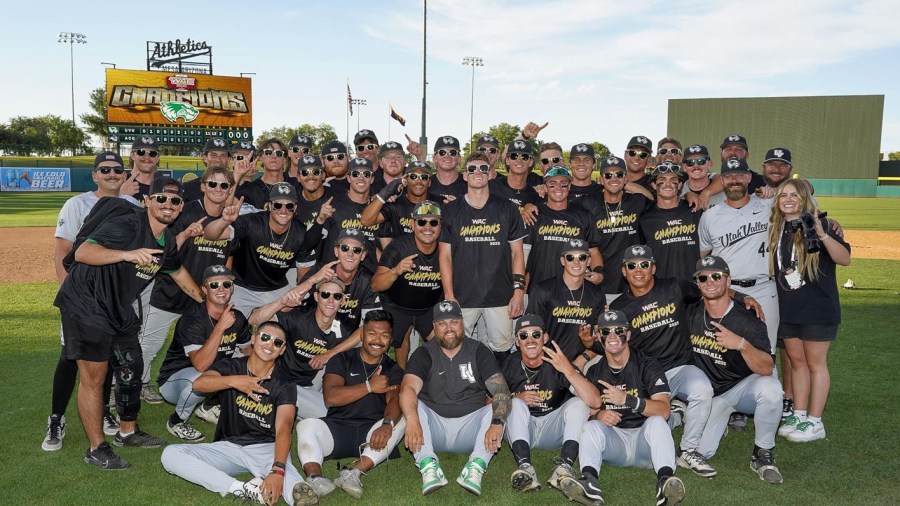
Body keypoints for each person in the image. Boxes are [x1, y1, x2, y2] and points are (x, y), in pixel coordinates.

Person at [54, 177, 204, 469]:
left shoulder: (168, 240)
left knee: (131, 365)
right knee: (94, 378)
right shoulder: (128, 223)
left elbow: (178, 272)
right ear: (148, 201)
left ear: (181, 206)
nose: (168, 205)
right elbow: (83, 252)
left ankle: (128, 431)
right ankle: (96, 449)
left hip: (119, 307)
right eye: (161, 198)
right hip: (86, 304)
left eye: (175, 201)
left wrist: (207, 302)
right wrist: (127, 254)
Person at [42, 151, 140, 451]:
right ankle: (56, 418)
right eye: (105, 169)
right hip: (82, 300)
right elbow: (64, 250)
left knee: (108, 356)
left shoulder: (134, 205)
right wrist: (70, 296)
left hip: (115, 298)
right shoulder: (77, 204)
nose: (112, 174)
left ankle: (103, 412)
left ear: (124, 175)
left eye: (117, 169)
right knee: (70, 357)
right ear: (95, 175)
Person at [160, 322, 318, 506]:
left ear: (282, 350)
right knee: (170, 454)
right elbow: (198, 385)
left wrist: (278, 470)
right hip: (228, 447)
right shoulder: (231, 366)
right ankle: (242, 489)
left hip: (265, 448)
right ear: (253, 338)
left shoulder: (284, 383)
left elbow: (284, 428)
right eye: (265, 337)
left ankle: (298, 494)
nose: (269, 345)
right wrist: (235, 381)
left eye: (277, 342)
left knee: (284, 474)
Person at [559, 310, 685, 506]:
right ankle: (590, 483)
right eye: (605, 332)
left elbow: (663, 409)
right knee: (590, 427)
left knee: (658, 422)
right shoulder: (595, 370)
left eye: (619, 330)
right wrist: (599, 414)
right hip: (615, 441)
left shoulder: (647, 364)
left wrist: (628, 399)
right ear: (599, 337)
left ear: (628, 334)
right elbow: (588, 411)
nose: (612, 336)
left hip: (646, 444)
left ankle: (665, 482)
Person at [138, 165, 238, 404]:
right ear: (203, 186)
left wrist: (223, 294)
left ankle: (198, 387)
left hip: (205, 298)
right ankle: (135, 384)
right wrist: (184, 235)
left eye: (224, 185)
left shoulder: (232, 219)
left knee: (203, 347)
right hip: (170, 292)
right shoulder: (184, 211)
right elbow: (164, 253)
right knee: (147, 345)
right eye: (212, 184)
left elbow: (229, 258)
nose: (217, 189)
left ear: (229, 190)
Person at [687, 256, 785, 484]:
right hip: (711, 396)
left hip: (742, 390)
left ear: (728, 280)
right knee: (700, 453)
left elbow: (766, 367)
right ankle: (713, 422)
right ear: (697, 283)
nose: (709, 282)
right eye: (703, 278)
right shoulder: (691, 312)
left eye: (716, 276)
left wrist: (741, 344)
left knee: (771, 389)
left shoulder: (748, 319)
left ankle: (762, 454)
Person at [400, 300, 512, 496]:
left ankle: (476, 466)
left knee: (498, 407)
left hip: (472, 428)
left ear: (463, 322)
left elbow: (501, 390)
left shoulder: (478, 351)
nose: (448, 329)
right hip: (433, 431)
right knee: (412, 404)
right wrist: (412, 420)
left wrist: (496, 423)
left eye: (453, 322)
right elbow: (408, 387)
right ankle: (428, 465)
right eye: (442, 324)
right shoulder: (424, 353)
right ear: (434, 327)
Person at [768, 179, 850, 442]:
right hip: (789, 307)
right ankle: (800, 415)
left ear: (804, 199)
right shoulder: (777, 228)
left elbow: (844, 259)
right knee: (797, 362)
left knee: (816, 364)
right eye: (783, 195)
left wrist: (822, 233)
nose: (788, 199)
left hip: (818, 307)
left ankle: (816, 422)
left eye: (794, 195)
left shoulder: (821, 225)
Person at [296, 311, 405, 500]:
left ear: (390, 339)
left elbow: (394, 400)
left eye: (384, 335)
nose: (377, 340)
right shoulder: (342, 359)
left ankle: (352, 473)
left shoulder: (393, 368)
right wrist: (369, 386)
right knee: (305, 425)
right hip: (337, 427)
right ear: (361, 334)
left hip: (371, 434)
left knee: (400, 420)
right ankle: (315, 479)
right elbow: (331, 397)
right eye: (372, 333)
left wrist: (387, 424)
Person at [439, 152, 527, 359]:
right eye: (472, 169)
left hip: (500, 294)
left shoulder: (507, 208)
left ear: (490, 174)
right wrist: (449, 295)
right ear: (465, 176)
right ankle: (464, 391)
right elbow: (444, 256)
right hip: (463, 296)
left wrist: (518, 292)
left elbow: (517, 253)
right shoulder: (451, 210)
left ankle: (499, 391)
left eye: (482, 169)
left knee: (502, 348)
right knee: (457, 348)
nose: (477, 172)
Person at [502, 315, 600, 492]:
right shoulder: (509, 364)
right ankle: (525, 468)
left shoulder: (557, 362)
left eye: (536, 334)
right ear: (517, 341)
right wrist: (515, 397)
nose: (530, 340)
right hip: (524, 429)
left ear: (545, 338)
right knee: (514, 404)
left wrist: (569, 370)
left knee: (579, 403)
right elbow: (487, 401)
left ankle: (564, 467)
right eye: (523, 336)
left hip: (553, 428)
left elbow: (595, 402)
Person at [203, 182, 331, 316]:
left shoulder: (300, 233)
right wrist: (224, 221)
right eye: (277, 205)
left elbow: (303, 276)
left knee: (287, 324)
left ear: (295, 208)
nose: (283, 210)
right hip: (242, 288)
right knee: (232, 326)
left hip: (276, 288)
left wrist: (297, 297)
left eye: (289, 206)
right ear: (270, 206)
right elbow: (209, 235)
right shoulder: (252, 222)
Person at [157, 265, 251, 442]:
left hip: (212, 374)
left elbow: (249, 351)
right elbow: (200, 364)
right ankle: (176, 422)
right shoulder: (192, 319)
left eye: (226, 284)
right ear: (204, 289)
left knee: (244, 363)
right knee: (201, 377)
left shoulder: (237, 317)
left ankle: (209, 406)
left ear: (232, 288)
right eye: (214, 285)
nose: (221, 289)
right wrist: (220, 327)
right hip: (175, 381)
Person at [249, 276, 360, 419]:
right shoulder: (298, 317)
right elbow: (254, 321)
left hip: (306, 387)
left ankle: (283, 406)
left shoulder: (342, 331)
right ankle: (282, 404)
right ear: (316, 297)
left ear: (343, 300)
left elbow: (364, 332)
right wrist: (281, 302)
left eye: (337, 296)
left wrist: (329, 354)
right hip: (277, 379)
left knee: (331, 412)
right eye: (325, 295)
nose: (331, 301)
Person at [371, 201, 444, 369]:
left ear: (440, 226)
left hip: (428, 308)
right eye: (421, 222)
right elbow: (375, 284)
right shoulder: (399, 246)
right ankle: (400, 376)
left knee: (446, 341)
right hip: (396, 306)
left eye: (433, 222)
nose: (428, 227)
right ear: (412, 224)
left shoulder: (445, 247)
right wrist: (395, 271)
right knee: (396, 340)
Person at [579, 155, 652, 303]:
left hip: (631, 284)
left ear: (626, 179)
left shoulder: (637, 202)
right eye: (608, 175)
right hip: (598, 282)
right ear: (601, 179)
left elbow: (653, 198)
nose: (614, 178)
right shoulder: (587, 204)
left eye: (619, 175)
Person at [524, 167, 603, 290]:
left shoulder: (583, 216)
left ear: (569, 187)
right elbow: (525, 255)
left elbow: (593, 250)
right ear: (545, 188)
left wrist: (599, 273)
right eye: (552, 184)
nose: (558, 188)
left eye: (563, 184)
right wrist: (521, 291)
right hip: (538, 288)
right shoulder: (534, 215)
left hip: (572, 290)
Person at [526, 239, 606, 361]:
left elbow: (604, 340)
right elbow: (530, 333)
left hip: (582, 359)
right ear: (563, 260)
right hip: (548, 359)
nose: (576, 262)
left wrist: (582, 359)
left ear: (589, 261)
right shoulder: (543, 290)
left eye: (582, 257)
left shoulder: (596, 293)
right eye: (570, 257)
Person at [639, 162, 702, 281]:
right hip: (661, 288)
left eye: (673, 180)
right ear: (653, 184)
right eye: (662, 180)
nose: (668, 184)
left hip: (693, 288)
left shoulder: (694, 210)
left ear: (680, 185)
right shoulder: (645, 217)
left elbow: (707, 245)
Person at [235, 138, 294, 211]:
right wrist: (237, 174)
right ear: (261, 158)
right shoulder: (250, 189)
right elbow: (227, 204)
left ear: (284, 159)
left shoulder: (296, 185)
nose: (273, 156)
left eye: (278, 153)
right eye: (268, 152)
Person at [122, 135, 161, 200]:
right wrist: (121, 195)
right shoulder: (120, 182)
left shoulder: (163, 187)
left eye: (152, 153)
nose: (147, 157)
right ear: (132, 155)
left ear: (157, 158)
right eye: (141, 152)